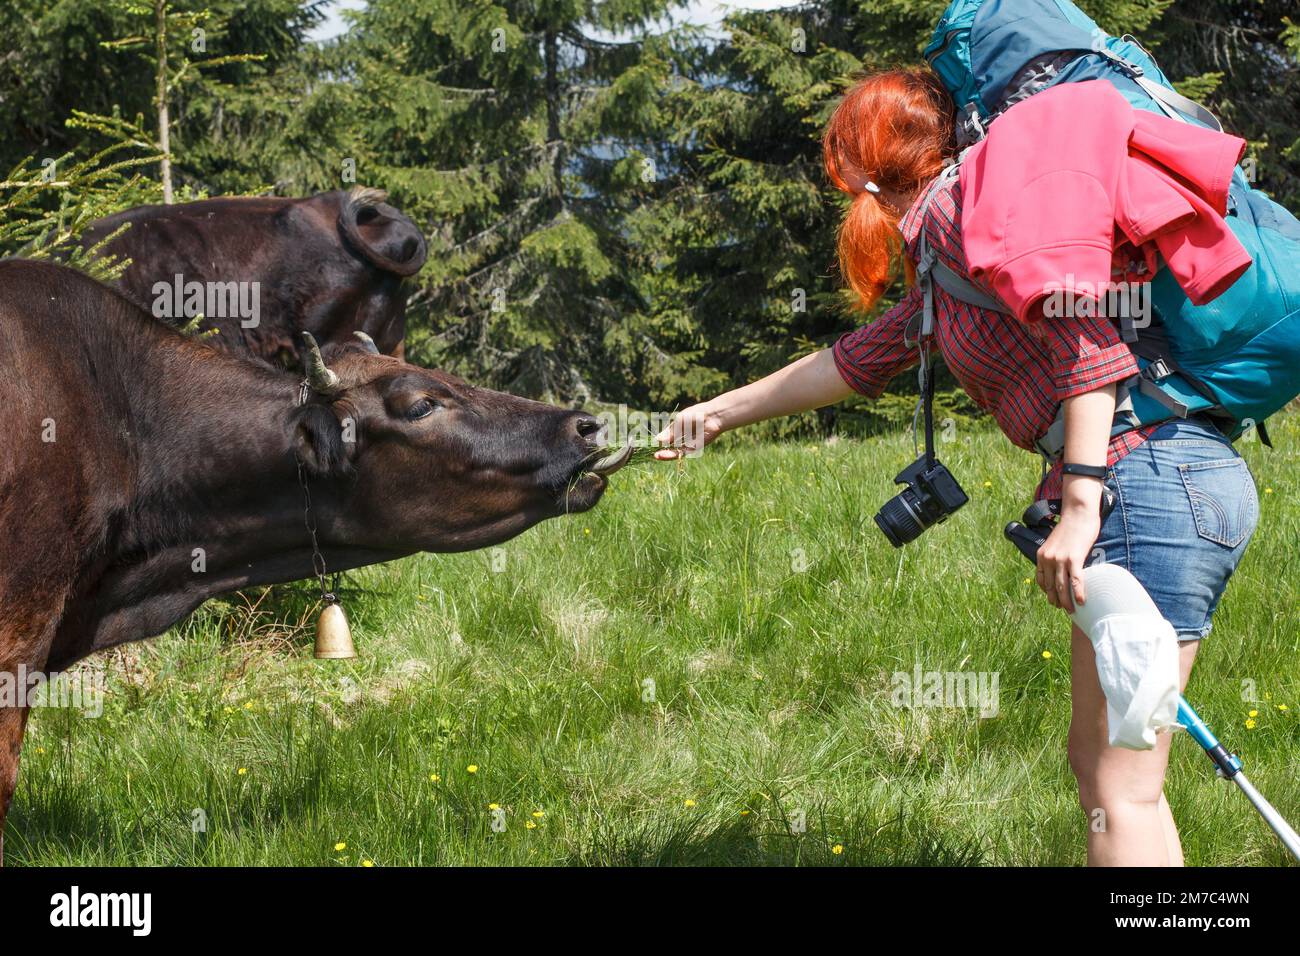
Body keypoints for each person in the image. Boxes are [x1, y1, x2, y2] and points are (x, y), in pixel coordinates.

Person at [652, 67, 1259, 866]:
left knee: (1123, 788)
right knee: (1112, 776)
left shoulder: (958, 217)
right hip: (1186, 477)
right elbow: (858, 359)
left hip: (1142, 486)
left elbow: (1090, 344)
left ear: (861, 162)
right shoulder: (956, 246)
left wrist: (1080, 508)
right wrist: (718, 414)